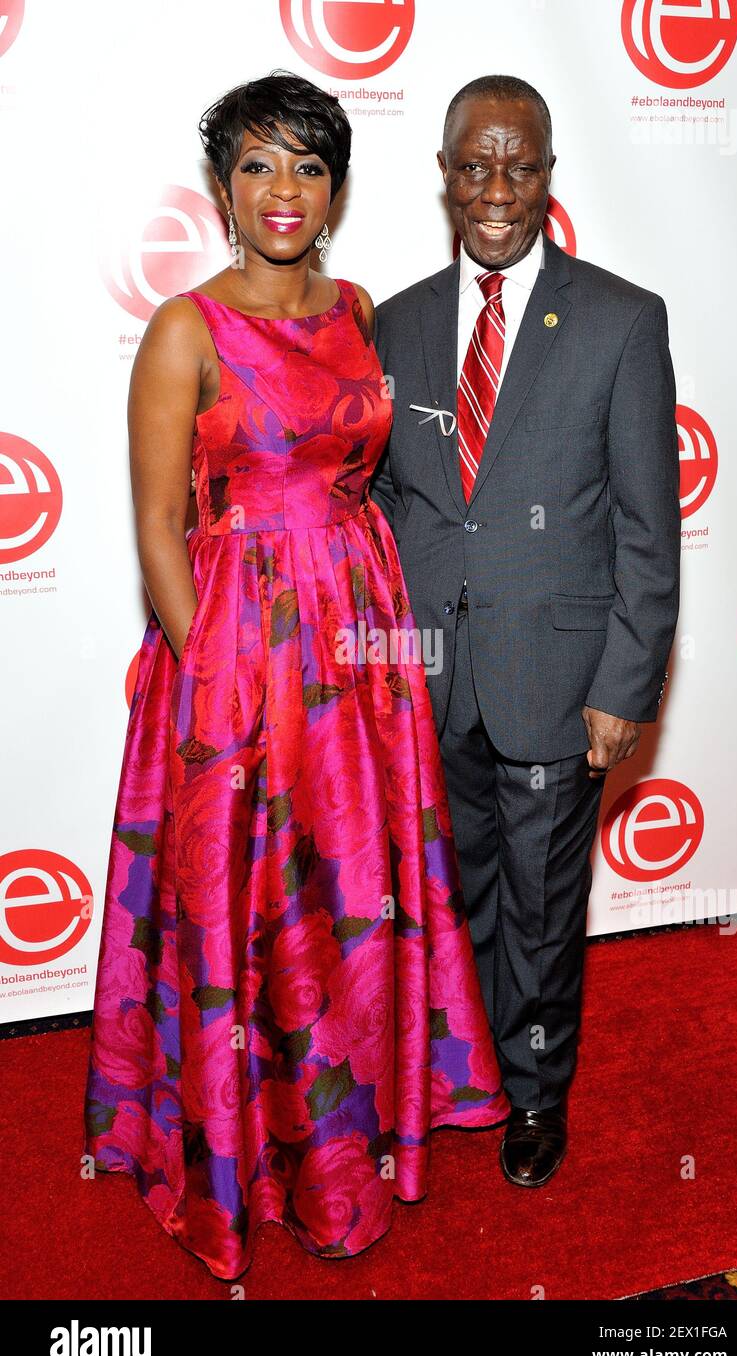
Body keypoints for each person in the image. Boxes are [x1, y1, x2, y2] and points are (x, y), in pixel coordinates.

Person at [82, 70, 509, 1282]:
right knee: (251, 899)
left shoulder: (360, 306)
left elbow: (365, 477)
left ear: (335, 190)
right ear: (223, 188)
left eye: (308, 167)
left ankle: (354, 1121)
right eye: (260, 165)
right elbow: (161, 525)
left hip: (359, 643)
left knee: (353, 893)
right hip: (236, 649)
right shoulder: (186, 329)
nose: (285, 190)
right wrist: (210, 675)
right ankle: (252, 1156)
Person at [369, 74, 681, 1189]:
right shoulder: (394, 322)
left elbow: (650, 527)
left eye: (523, 164)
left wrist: (626, 684)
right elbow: (395, 505)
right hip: (430, 676)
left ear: (550, 174)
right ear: (446, 174)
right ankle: (461, 1070)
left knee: (545, 903)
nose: (498, 187)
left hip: (559, 673)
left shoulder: (619, 318)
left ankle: (535, 1092)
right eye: (476, 164)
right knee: (455, 890)